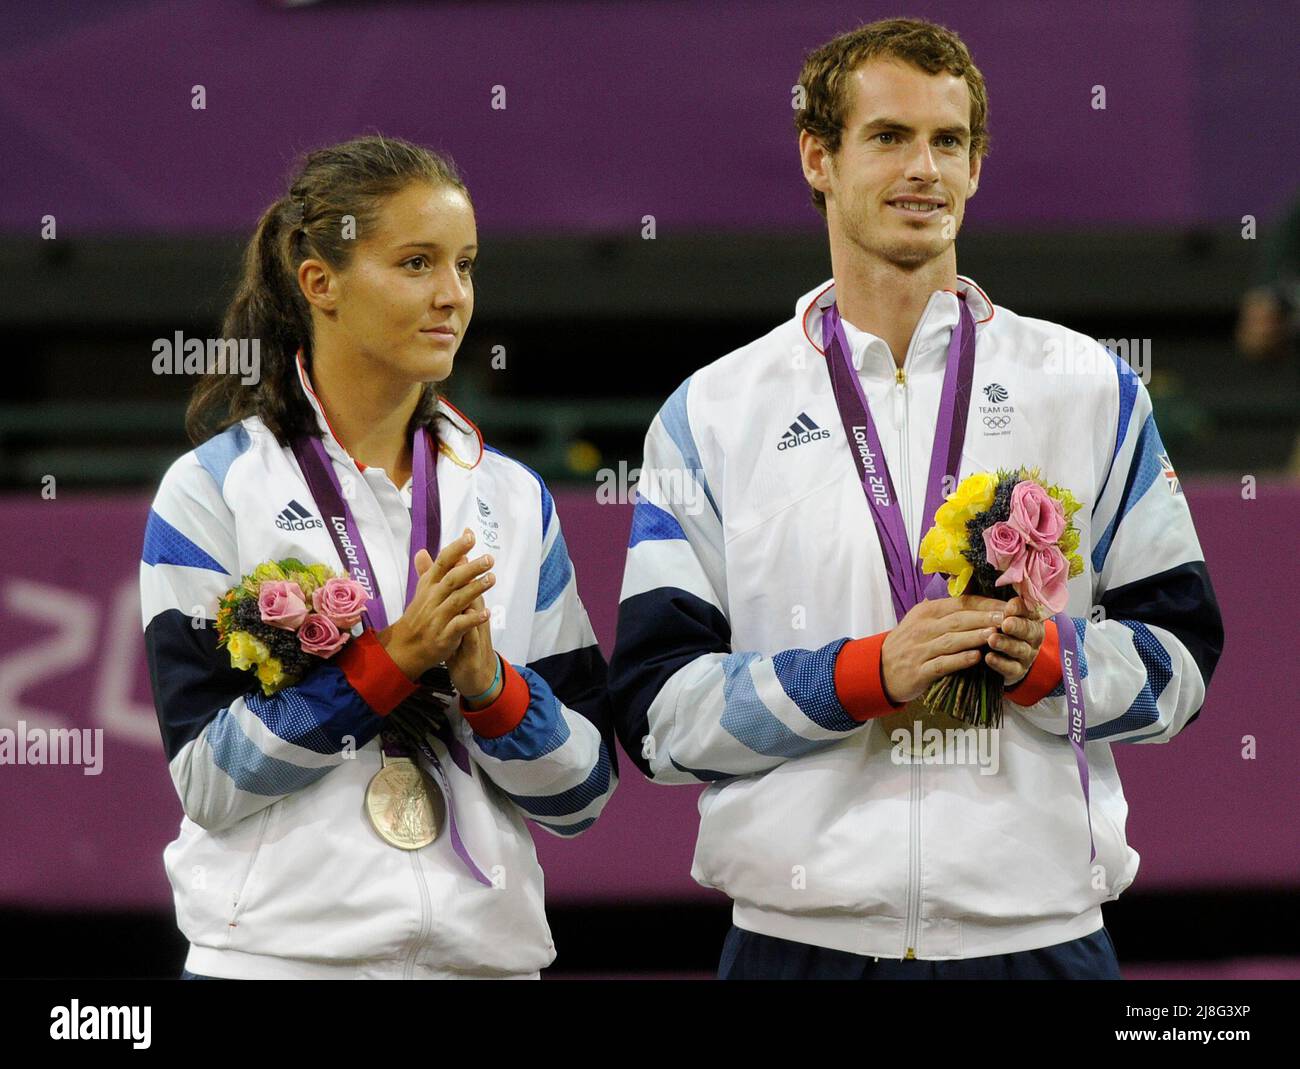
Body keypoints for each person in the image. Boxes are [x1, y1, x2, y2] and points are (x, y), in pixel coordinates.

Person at [608, 18, 1223, 980]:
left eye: (949, 142)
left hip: (1040, 940)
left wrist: (1052, 664)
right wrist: (860, 676)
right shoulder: (714, 413)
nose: (924, 169)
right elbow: (655, 713)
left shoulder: (1090, 388)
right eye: (889, 137)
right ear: (819, 156)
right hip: (800, 945)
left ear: (977, 167)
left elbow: (1182, 663)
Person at [140, 135, 617, 980]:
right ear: (319, 282)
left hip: (486, 963)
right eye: (415, 263)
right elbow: (209, 780)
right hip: (278, 960)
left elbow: (585, 795)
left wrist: (489, 686)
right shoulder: (213, 491)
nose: (452, 297)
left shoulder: (511, 497)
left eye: (465, 265)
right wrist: (388, 666)